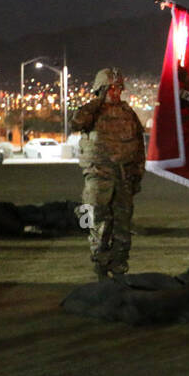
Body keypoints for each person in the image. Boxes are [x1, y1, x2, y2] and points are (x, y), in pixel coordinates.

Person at [72, 68, 146, 279]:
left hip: (123, 177)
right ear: (101, 89)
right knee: (97, 224)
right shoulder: (91, 112)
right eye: (111, 88)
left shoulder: (127, 113)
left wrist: (137, 174)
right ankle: (101, 269)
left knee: (123, 229)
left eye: (119, 88)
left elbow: (139, 147)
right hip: (99, 176)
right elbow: (75, 122)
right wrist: (98, 101)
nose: (116, 92)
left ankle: (120, 270)